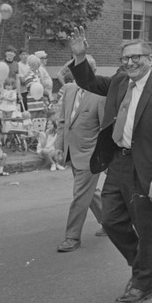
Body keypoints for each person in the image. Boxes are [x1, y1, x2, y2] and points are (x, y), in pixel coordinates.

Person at [67, 27, 152, 303]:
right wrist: (80, 56)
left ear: (150, 59)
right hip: (117, 161)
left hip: (145, 168)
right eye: (125, 59)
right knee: (111, 220)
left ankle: (142, 285)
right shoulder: (120, 81)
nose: (130, 63)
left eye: (136, 58)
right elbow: (90, 82)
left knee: (146, 228)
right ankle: (140, 265)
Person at [55, 59, 108, 252]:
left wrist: (104, 158)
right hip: (72, 151)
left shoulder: (100, 95)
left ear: (92, 72)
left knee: (79, 195)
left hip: (90, 155)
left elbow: (104, 129)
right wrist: (59, 146)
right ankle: (109, 223)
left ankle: (72, 237)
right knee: (89, 193)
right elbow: (63, 120)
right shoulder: (69, 89)